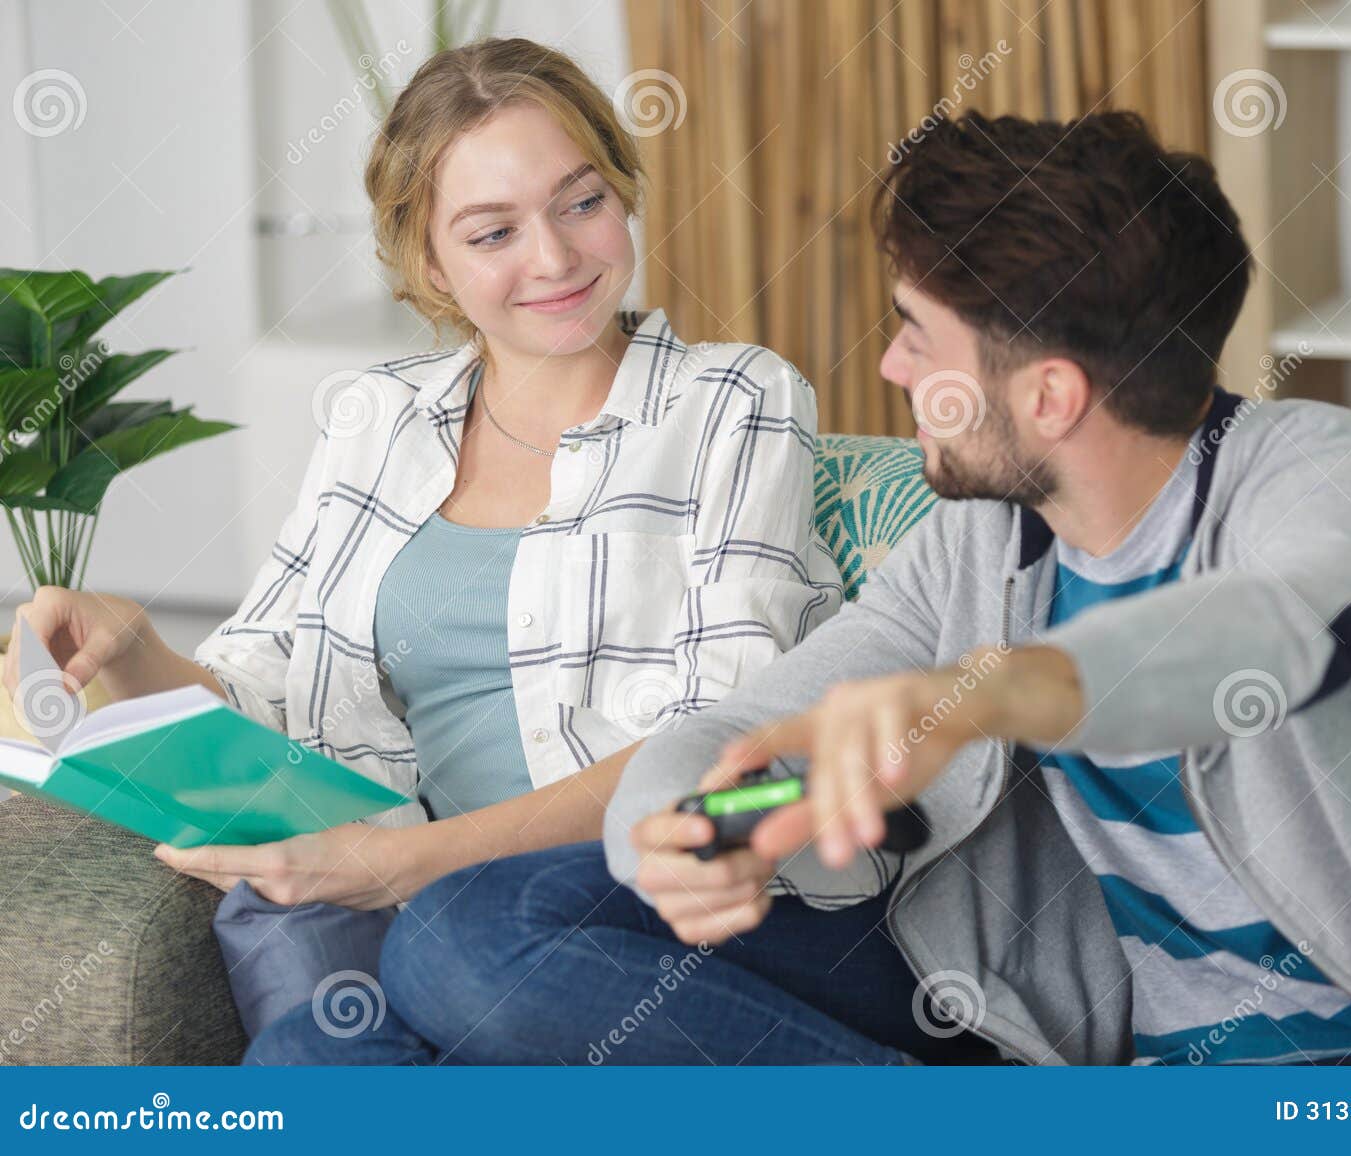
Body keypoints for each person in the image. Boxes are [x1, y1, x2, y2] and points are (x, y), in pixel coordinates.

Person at [246, 109, 1351, 1066]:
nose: (889, 373)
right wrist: (704, 826)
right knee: (466, 938)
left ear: (1051, 394)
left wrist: (1001, 694)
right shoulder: (984, 549)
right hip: (1128, 1070)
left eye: (917, 338)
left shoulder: (1336, 486)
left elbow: (1267, 635)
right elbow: (764, 734)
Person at [2, 38, 841, 1040]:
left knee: (449, 949)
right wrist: (136, 652)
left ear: (623, 191)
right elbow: (279, 690)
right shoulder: (377, 416)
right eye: (493, 233)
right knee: (315, 1052)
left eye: (581, 202)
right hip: (448, 927)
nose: (556, 257)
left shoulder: (735, 399)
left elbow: (718, 744)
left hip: (690, 903)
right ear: (427, 261)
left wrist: (406, 865)